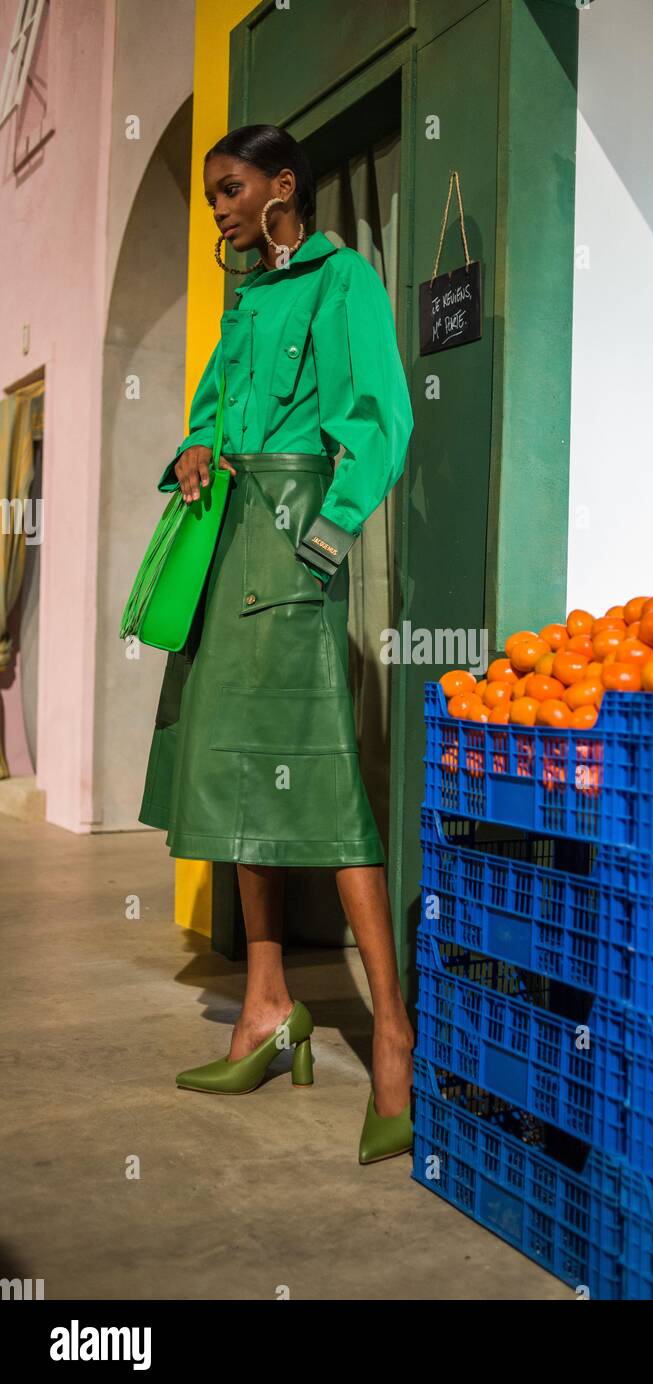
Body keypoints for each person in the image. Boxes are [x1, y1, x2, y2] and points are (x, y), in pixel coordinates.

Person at [138, 123, 415, 1164]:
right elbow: (207, 412)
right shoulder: (244, 295)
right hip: (227, 542)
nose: (217, 207)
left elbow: (382, 417)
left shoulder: (343, 283)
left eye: (230, 188)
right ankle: (264, 1006)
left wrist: (328, 536)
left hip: (297, 539)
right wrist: (197, 451)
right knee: (239, 779)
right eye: (212, 193)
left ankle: (392, 1032)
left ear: (281, 186)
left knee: (330, 786)